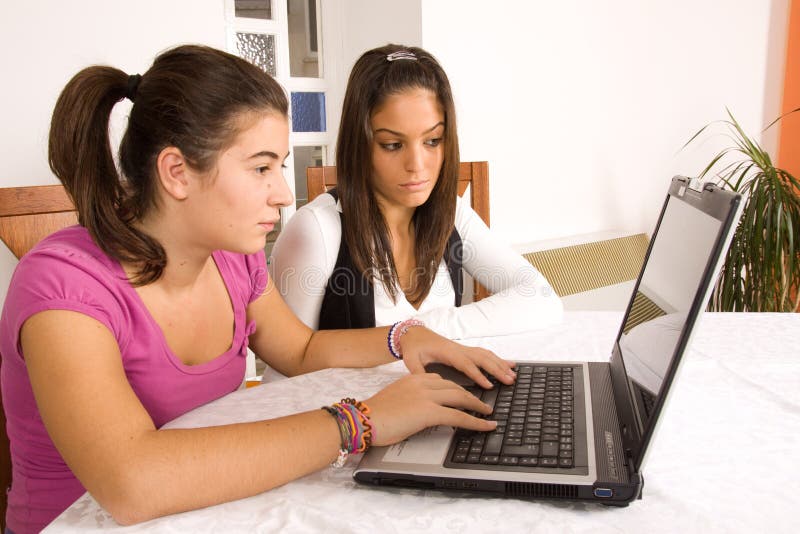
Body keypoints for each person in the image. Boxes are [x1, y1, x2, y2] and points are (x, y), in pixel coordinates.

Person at [0, 45, 518, 534]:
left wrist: (404, 336)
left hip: (201, 511)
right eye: (261, 167)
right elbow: (133, 483)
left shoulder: (232, 257)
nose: (281, 195)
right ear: (177, 171)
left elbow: (300, 349)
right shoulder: (63, 288)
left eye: (281, 167)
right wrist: (362, 421)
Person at [271, 44, 562, 341]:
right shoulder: (317, 230)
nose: (417, 165)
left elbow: (541, 299)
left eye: (433, 140)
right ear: (359, 144)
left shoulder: (452, 212)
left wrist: (424, 330)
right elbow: (288, 371)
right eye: (393, 145)